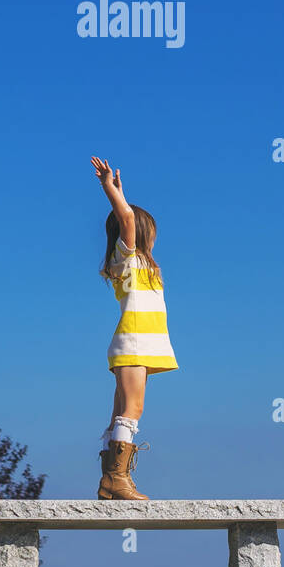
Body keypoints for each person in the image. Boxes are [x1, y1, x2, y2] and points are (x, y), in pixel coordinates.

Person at [91, 156, 178, 500]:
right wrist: (111, 192)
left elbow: (127, 217)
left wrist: (120, 196)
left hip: (139, 345)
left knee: (122, 411)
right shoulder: (126, 260)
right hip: (133, 344)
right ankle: (116, 478)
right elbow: (126, 217)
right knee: (132, 410)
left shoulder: (140, 264)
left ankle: (114, 479)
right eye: (151, 232)